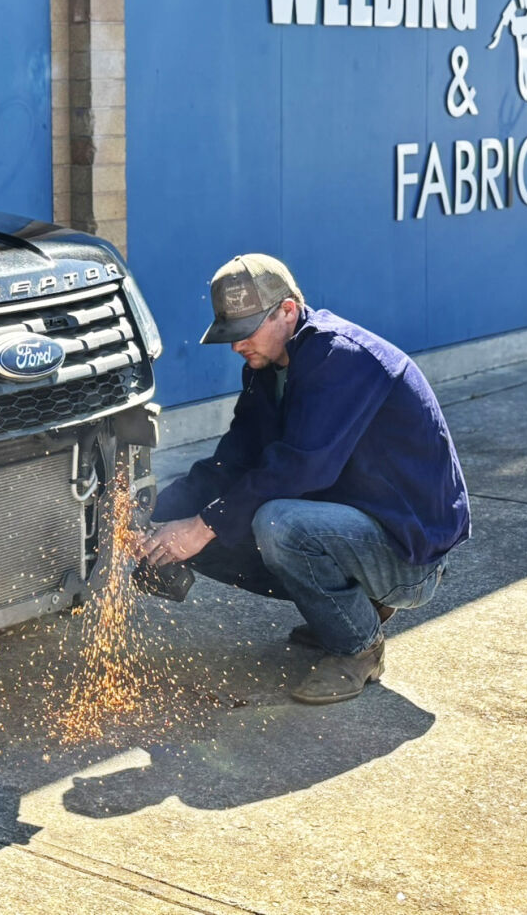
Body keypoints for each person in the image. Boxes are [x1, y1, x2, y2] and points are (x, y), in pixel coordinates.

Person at [137, 255, 470, 705]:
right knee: (209, 518)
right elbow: (232, 462)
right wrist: (151, 517)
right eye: (231, 334)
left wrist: (200, 527)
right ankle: (352, 610)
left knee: (275, 522)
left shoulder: (341, 360)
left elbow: (300, 468)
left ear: (288, 310)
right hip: (359, 524)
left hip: (409, 555)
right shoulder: (268, 368)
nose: (237, 346)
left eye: (247, 330)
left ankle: (358, 648)